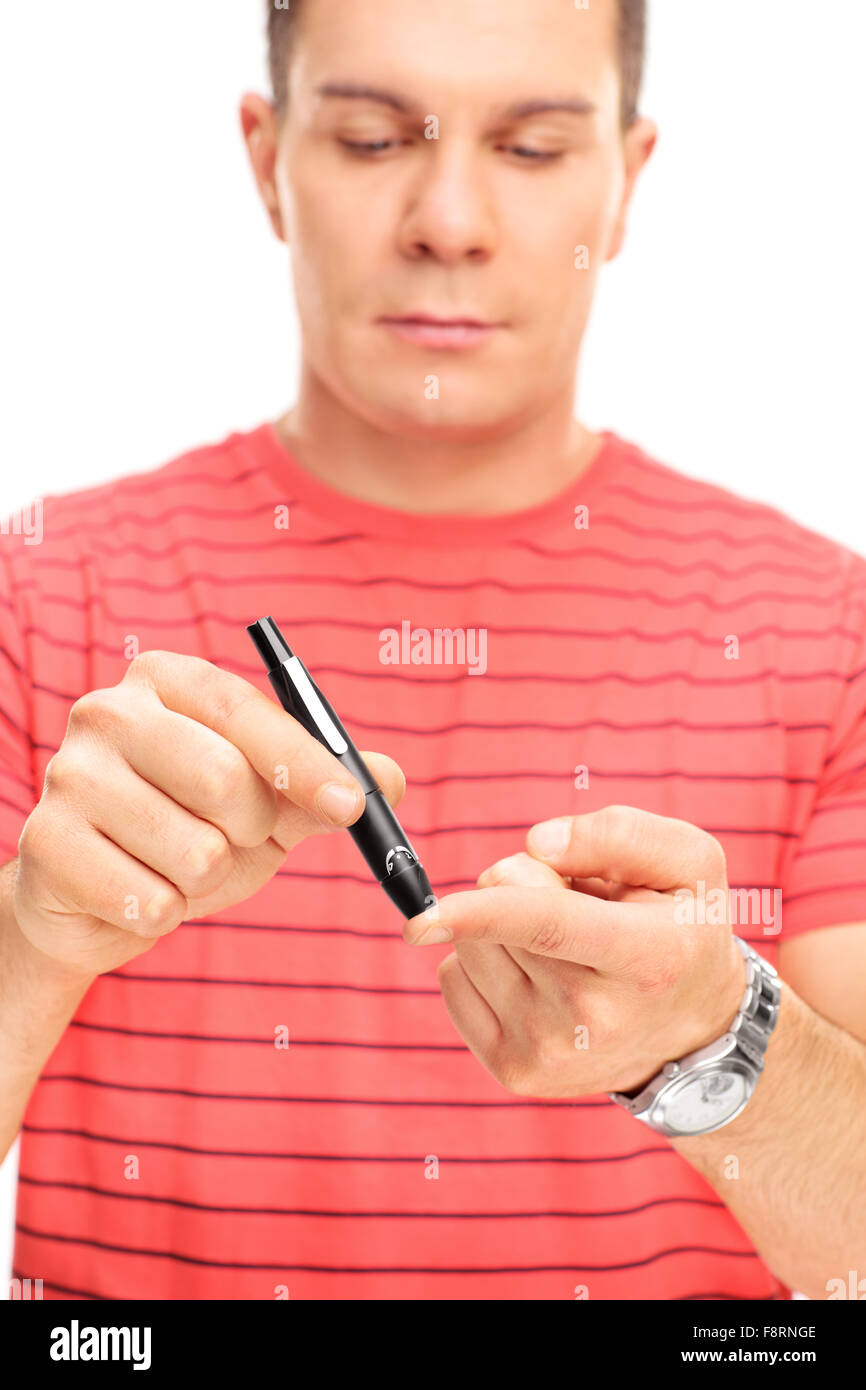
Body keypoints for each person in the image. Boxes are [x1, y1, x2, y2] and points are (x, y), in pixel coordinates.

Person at [1, 0, 865, 1302]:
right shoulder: (37, 591)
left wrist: (714, 1039)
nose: (449, 220)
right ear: (265, 159)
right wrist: (32, 938)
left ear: (625, 183)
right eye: (367, 138)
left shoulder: (828, 626)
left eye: (527, 150)